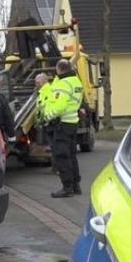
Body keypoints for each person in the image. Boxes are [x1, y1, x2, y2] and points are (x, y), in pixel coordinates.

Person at [47, 60, 82, 198]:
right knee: (72, 156)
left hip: (62, 124)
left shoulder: (63, 84)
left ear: (59, 69)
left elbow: (59, 106)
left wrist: (48, 115)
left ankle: (67, 187)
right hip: (73, 122)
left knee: (62, 156)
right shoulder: (76, 82)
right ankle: (75, 185)